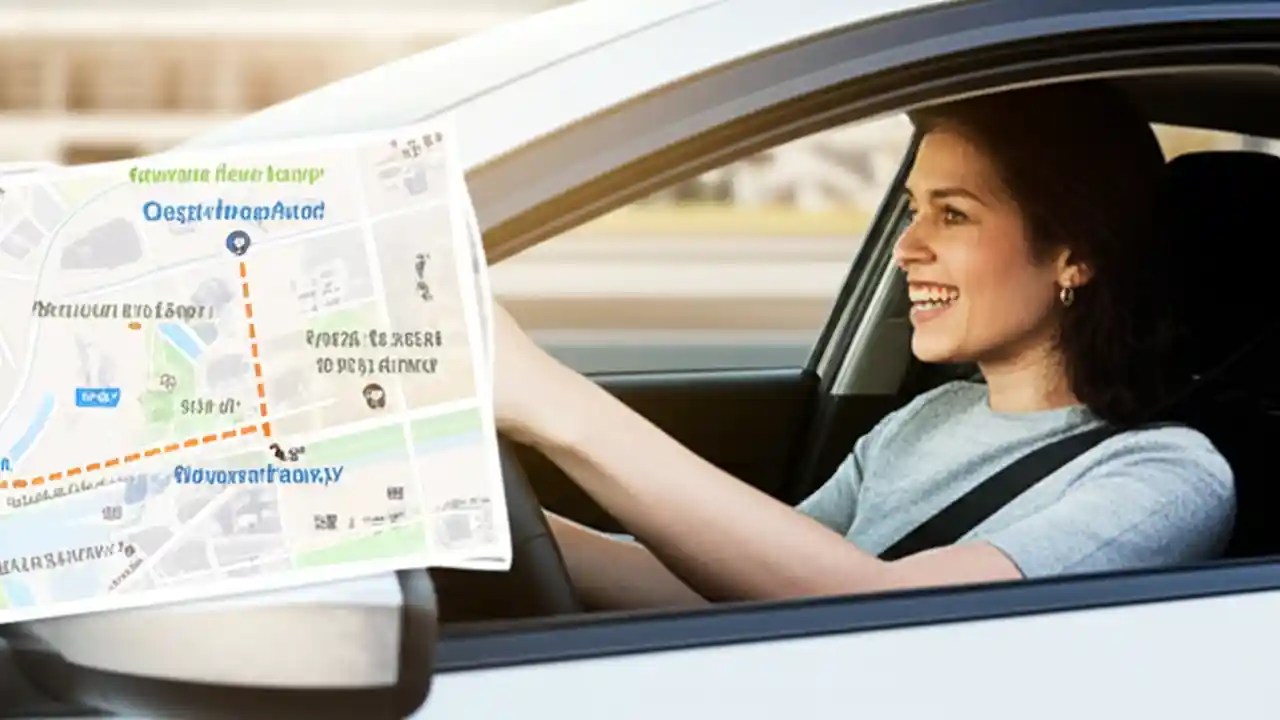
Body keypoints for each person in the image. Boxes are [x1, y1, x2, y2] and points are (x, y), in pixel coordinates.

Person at [490, 81, 1236, 610]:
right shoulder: (927, 419)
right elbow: (728, 583)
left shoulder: (1166, 476)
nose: (906, 247)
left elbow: (884, 611)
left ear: (1075, 255)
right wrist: (499, 525)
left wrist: (556, 407)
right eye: (914, 210)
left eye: (953, 215)